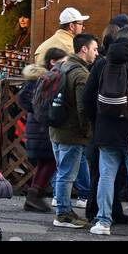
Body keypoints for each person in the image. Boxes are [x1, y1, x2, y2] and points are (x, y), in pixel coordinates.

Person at [81, 24, 128, 237]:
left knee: (106, 176)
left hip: (106, 131)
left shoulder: (101, 63)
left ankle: (103, 222)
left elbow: (86, 97)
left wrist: (97, 122)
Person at [50, 33, 99, 228]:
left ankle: (65, 210)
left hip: (54, 127)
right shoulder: (81, 74)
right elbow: (82, 108)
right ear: (84, 49)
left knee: (64, 171)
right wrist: (87, 132)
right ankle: (63, 214)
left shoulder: (60, 66)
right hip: (71, 132)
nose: (96, 53)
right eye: (94, 49)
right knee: (66, 174)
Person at [17, 47, 68, 213]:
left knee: (46, 161)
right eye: (63, 61)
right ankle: (34, 195)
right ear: (53, 62)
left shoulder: (43, 77)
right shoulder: (44, 78)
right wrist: (40, 111)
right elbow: (23, 98)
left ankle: (34, 196)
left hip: (38, 127)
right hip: (41, 128)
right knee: (50, 160)